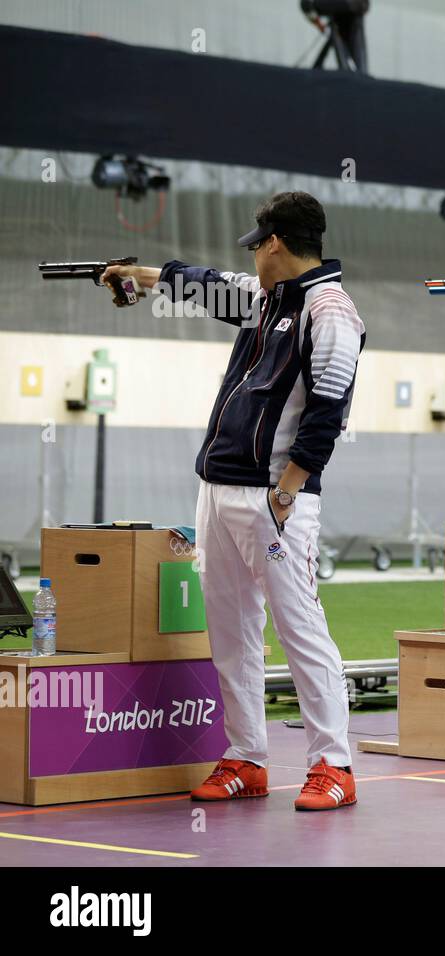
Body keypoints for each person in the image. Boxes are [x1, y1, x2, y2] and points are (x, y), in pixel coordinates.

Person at [102, 191, 365, 809]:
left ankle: (335, 765)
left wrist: (285, 494)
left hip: (275, 500)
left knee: (302, 631)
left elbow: (328, 413)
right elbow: (197, 282)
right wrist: (134, 275)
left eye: (259, 246)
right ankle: (247, 757)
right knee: (231, 632)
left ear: (276, 243)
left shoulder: (331, 312)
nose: (254, 259)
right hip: (217, 490)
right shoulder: (264, 300)